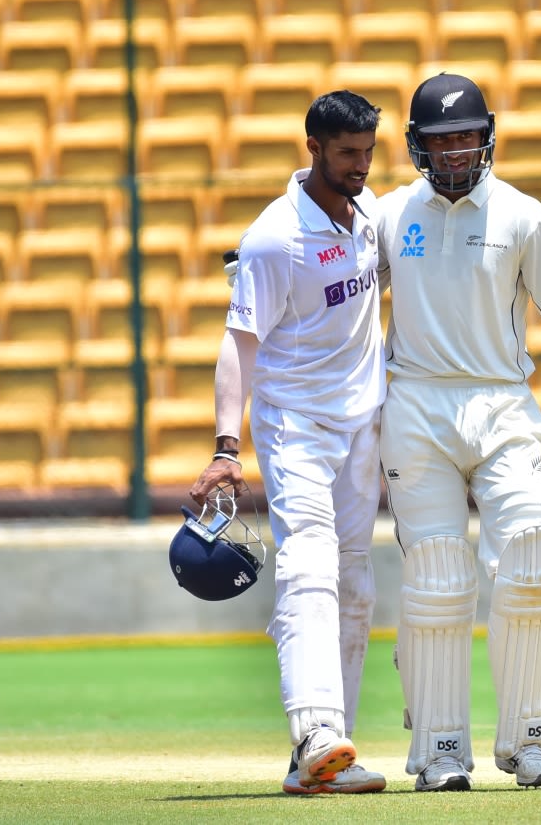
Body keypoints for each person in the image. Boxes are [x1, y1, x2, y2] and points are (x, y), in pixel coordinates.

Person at [374, 72, 541, 792]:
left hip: (503, 403)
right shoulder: (391, 216)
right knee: (436, 579)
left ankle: (530, 739)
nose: (456, 152)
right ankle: (441, 746)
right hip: (417, 405)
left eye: (465, 137)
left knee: (534, 565)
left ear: (486, 136)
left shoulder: (523, 214)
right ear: (417, 147)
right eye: (441, 141)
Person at [190, 90, 388, 796]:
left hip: (362, 427)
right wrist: (224, 447)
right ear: (313, 148)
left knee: (356, 585)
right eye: (346, 154)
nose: (360, 166)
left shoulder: (369, 219)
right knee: (308, 564)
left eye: (368, 152)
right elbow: (238, 344)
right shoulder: (274, 237)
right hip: (296, 427)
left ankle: (326, 760)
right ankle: (315, 733)